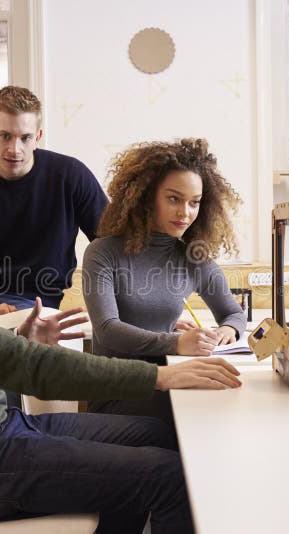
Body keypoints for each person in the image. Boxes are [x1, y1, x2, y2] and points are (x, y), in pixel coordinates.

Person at [0, 120, 241, 534]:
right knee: (172, 478)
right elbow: (35, 370)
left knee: (153, 434)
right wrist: (161, 374)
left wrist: (18, 339)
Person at [82, 138, 246, 434]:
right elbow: (107, 329)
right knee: (208, 415)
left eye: (194, 202)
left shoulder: (193, 257)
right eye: (174, 198)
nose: (185, 212)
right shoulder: (103, 252)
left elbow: (233, 314)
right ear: (146, 197)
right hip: (119, 392)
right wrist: (175, 342)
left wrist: (226, 332)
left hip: (174, 377)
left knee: (228, 403)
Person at [0, 85, 108, 321]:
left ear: (37, 137)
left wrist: (107, 312)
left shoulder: (70, 176)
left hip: (43, 305)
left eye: (25, 138)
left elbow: (111, 244)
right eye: (5, 136)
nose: (14, 149)